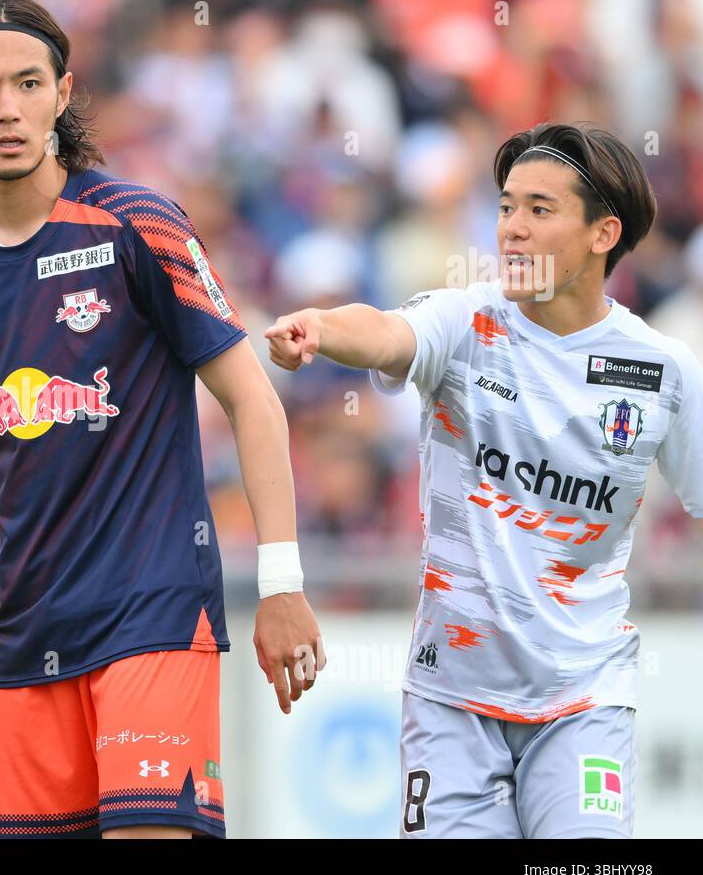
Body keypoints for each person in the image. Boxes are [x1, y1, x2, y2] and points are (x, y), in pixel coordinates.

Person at [0, 0, 322, 839]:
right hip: (27, 633)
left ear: (64, 91)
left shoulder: (137, 224)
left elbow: (251, 398)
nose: (7, 108)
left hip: (154, 611)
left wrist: (280, 584)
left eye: (28, 83)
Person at [266, 122, 703, 838]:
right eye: (505, 207)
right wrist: (318, 327)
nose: (512, 230)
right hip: (450, 701)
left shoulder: (662, 370)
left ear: (603, 234)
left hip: (584, 696)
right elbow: (383, 331)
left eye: (539, 209)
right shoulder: (466, 321)